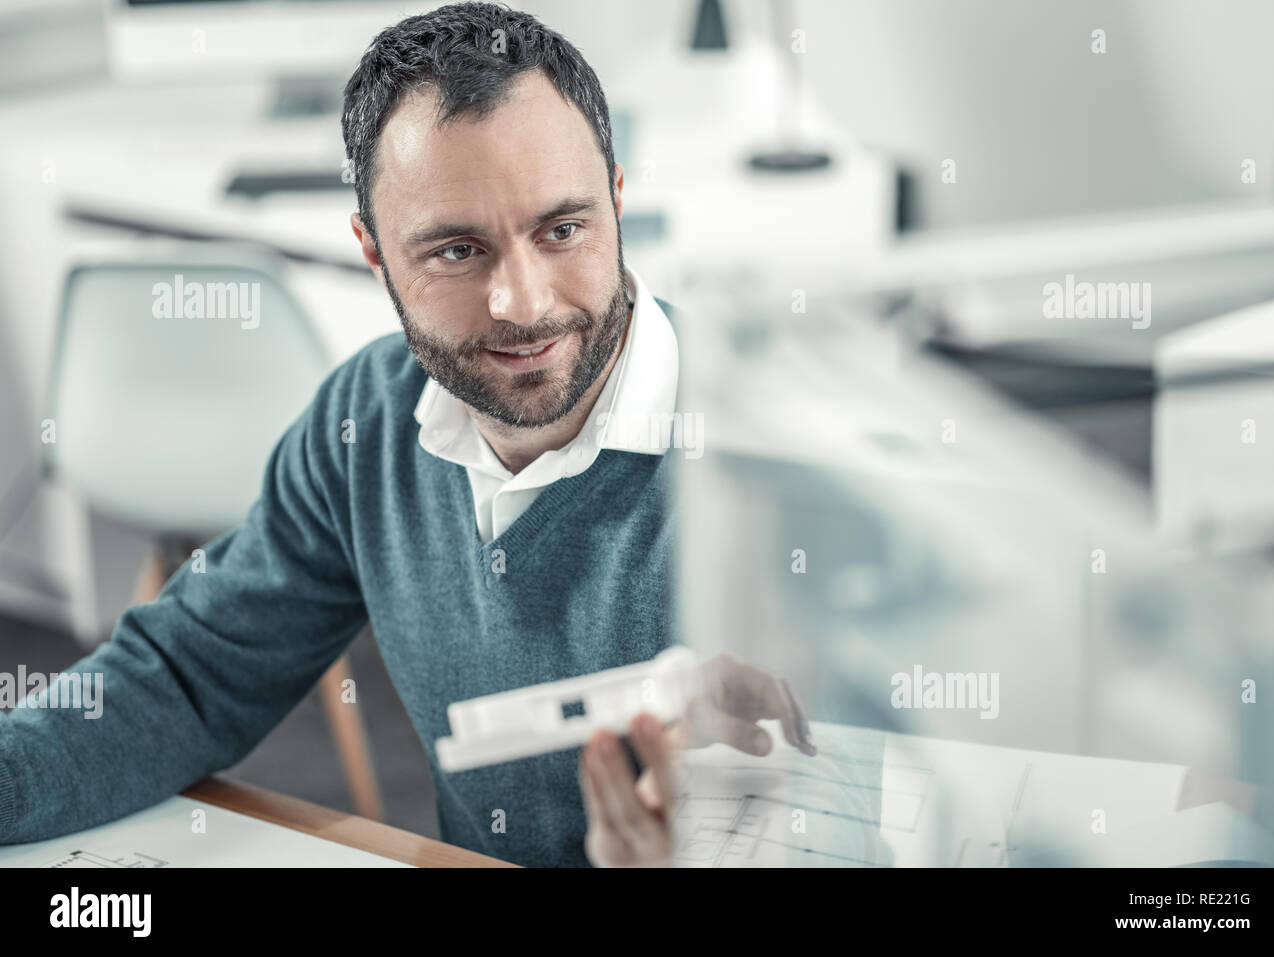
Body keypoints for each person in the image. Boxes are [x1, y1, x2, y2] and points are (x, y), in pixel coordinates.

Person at [0, 2, 813, 868]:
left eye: (563, 229)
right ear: (375, 251)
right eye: (458, 251)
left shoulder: (776, 461)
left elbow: (906, 805)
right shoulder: (367, 421)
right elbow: (190, 675)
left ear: (616, 200)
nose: (524, 304)